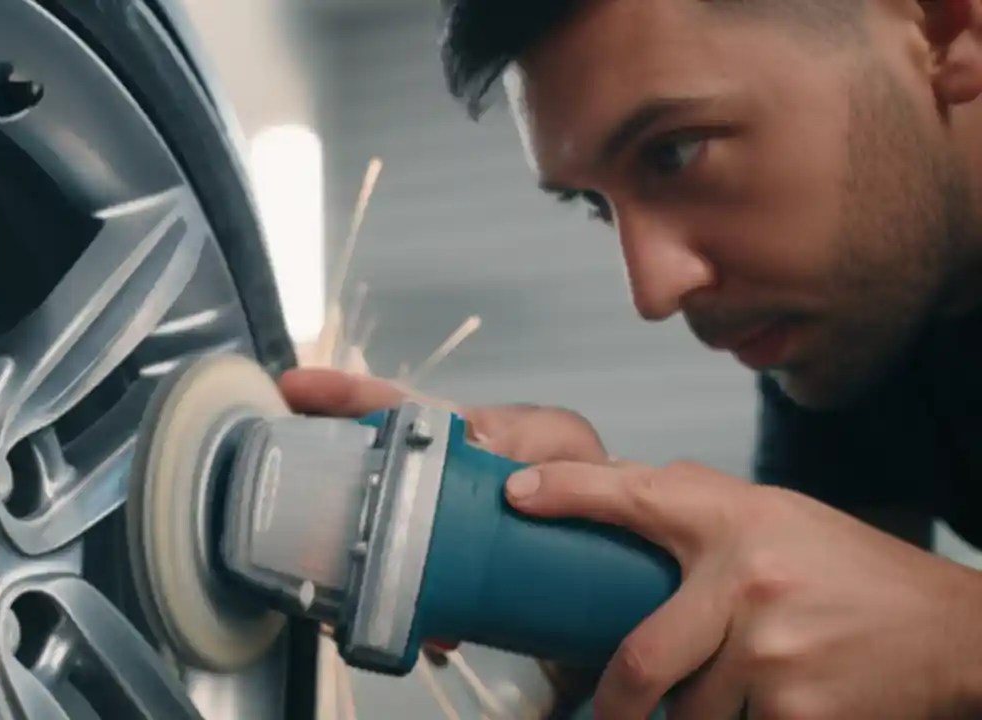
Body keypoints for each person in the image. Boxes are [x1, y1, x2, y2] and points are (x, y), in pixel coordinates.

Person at [278, 1, 982, 718]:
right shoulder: (855, 331)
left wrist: (958, 638)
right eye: (595, 205)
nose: (654, 290)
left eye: (675, 151)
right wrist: (610, 582)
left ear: (943, 28)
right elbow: (852, 677)